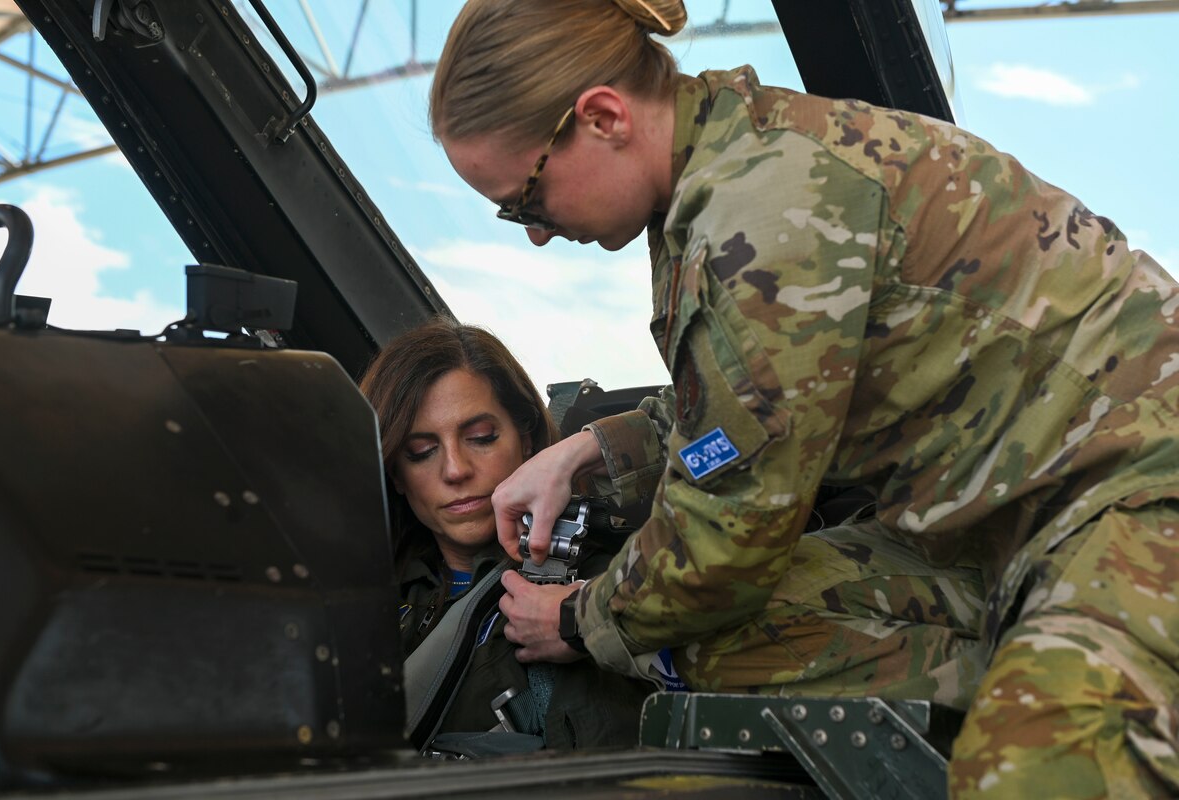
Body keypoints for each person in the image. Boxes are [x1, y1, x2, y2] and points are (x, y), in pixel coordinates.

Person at [427, 0, 1179, 796]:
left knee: (1040, 771)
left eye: (525, 200)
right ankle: (1047, 672)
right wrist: (587, 451)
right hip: (987, 529)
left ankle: (1067, 701)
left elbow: (730, 534)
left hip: (1128, 495)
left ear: (603, 117)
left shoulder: (765, 214)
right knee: (704, 640)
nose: (534, 232)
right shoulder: (721, 170)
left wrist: (575, 620)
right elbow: (750, 404)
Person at [357, 317, 652, 749]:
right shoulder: (354, 599)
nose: (455, 470)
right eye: (421, 451)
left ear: (527, 440)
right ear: (395, 473)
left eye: (481, 437)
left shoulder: (611, 587)